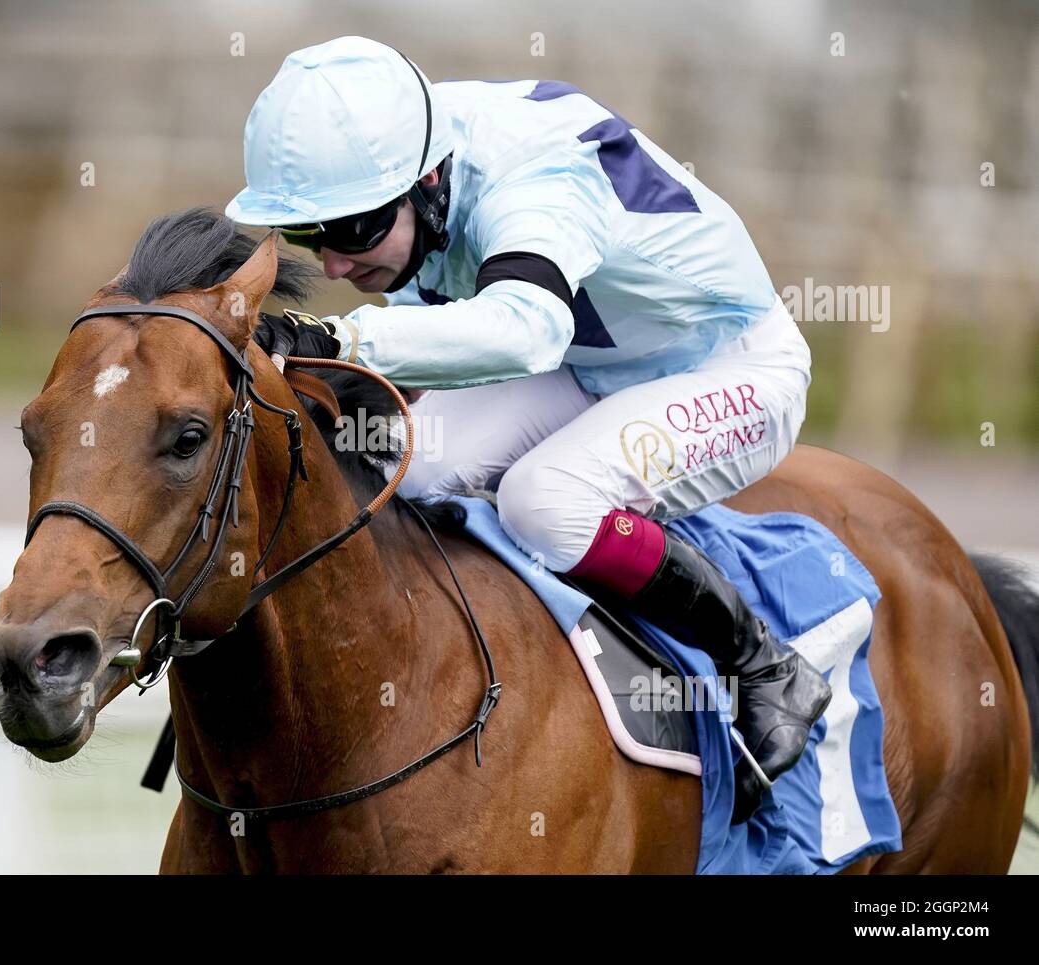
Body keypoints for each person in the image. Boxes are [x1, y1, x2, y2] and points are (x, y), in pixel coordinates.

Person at [226, 35, 829, 821]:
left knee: (544, 500)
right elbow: (436, 351)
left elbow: (523, 332)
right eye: (314, 237)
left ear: (429, 180)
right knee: (409, 469)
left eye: (353, 232)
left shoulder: (533, 175)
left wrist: (339, 340)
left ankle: (762, 663)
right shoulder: (411, 155)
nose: (335, 266)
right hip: (589, 361)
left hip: (730, 368)